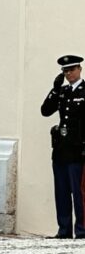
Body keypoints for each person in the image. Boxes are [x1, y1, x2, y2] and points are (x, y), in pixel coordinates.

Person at [40, 54, 85, 239]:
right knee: (62, 191)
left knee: (80, 193)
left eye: (72, 69)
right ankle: (64, 230)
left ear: (79, 69)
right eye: (65, 71)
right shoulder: (62, 91)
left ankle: (82, 231)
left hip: (79, 150)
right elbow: (45, 111)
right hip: (61, 150)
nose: (69, 74)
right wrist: (55, 89)